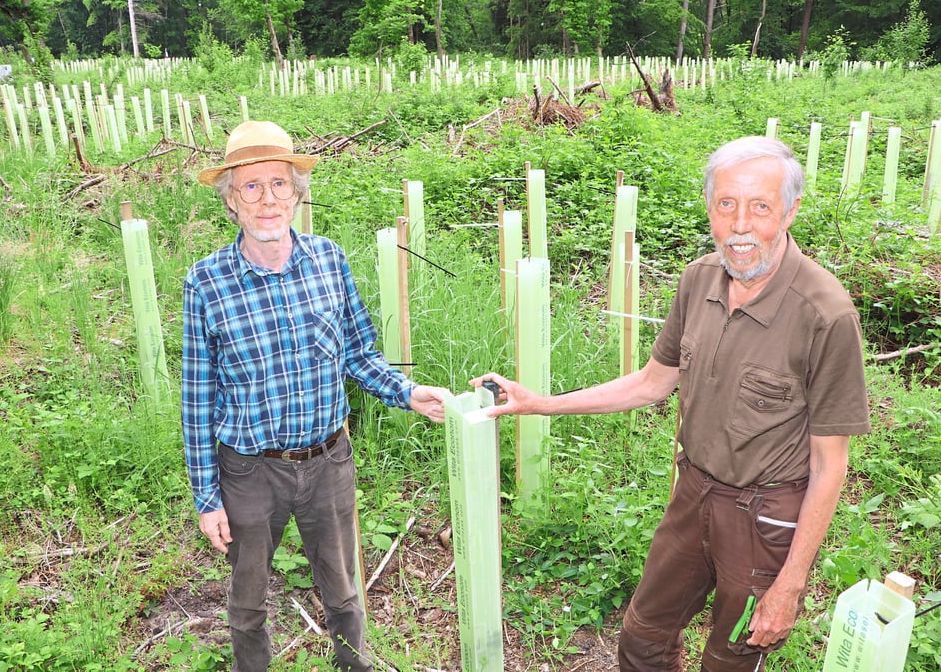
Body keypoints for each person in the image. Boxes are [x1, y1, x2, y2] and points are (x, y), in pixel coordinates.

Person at [473, 136, 870, 671]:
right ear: (710, 207)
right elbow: (651, 383)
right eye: (726, 204)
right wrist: (537, 403)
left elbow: (830, 463)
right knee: (643, 636)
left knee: (730, 659)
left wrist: (790, 584)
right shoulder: (699, 278)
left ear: (791, 210)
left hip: (765, 515)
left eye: (761, 207)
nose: (741, 225)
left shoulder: (825, 314)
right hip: (693, 493)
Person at [182, 120, 450, 672]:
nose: (267, 199)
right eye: (250, 187)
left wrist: (409, 391)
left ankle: (353, 665)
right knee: (248, 601)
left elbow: (359, 353)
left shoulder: (329, 259)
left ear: (297, 193)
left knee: (345, 592)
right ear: (230, 201)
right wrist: (207, 496)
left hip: (328, 462)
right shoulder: (205, 282)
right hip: (250, 472)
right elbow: (198, 397)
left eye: (278, 183)